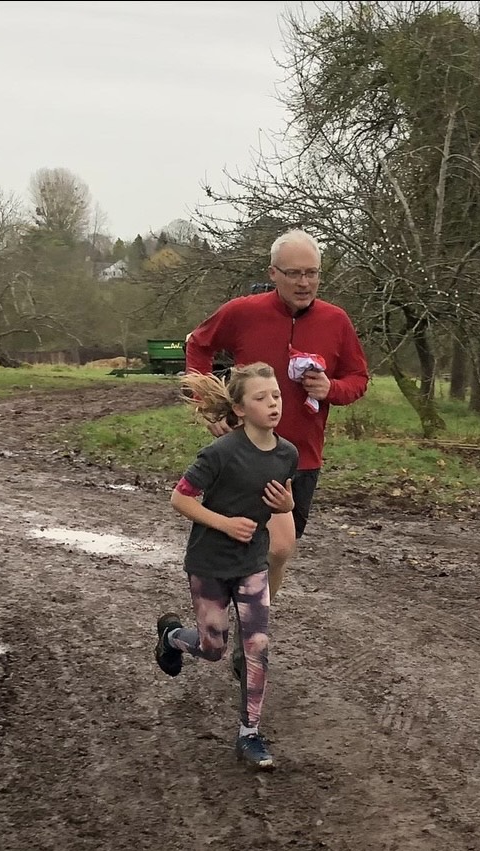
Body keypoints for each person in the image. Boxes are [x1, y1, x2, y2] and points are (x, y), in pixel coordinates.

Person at [186, 229, 370, 602]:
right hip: (243, 453)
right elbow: (198, 344)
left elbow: (359, 379)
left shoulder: (336, 321)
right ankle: (234, 618)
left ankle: (250, 618)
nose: (304, 283)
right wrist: (207, 404)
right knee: (241, 544)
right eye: (294, 273)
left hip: (300, 458)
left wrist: (331, 389)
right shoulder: (243, 312)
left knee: (279, 550)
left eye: (312, 273)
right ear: (273, 273)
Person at [154, 363, 298, 770]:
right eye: (261, 398)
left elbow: (283, 500)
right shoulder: (219, 453)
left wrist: (287, 505)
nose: (273, 404)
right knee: (213, 648)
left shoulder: (287, 454)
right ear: (239, 408)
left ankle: (249, 734)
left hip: (252, 562)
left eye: (276, 396)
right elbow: (180, 499)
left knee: (256, 648)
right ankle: (172, 637)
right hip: (210, 563)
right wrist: (225, 524)